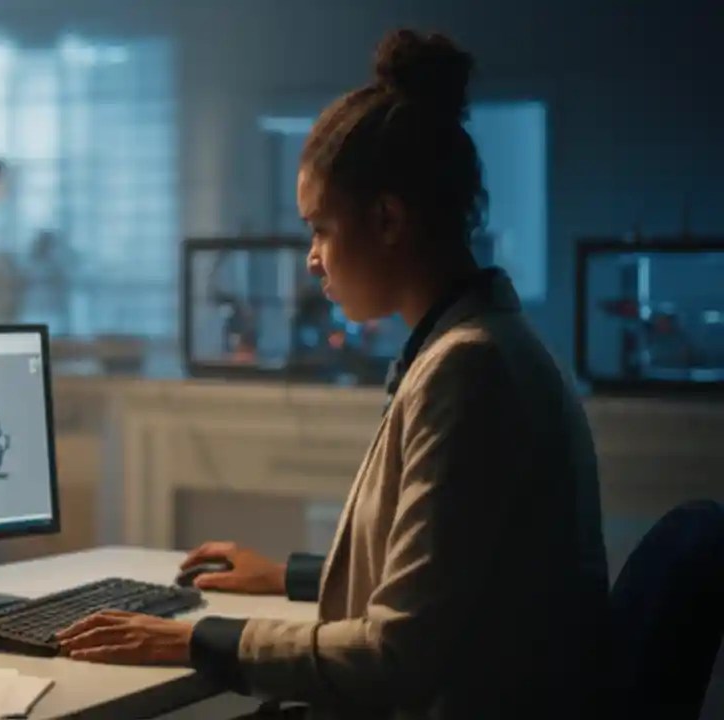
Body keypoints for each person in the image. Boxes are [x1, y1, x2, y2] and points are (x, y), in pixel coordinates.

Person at [56, 28, 611, 719]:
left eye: (319, 229)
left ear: (386, 219)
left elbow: (395, 657)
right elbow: (454, 582)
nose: (312, 259)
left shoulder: (470, 368)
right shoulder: (484, 343)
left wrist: (193, 639)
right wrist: (287, 575)